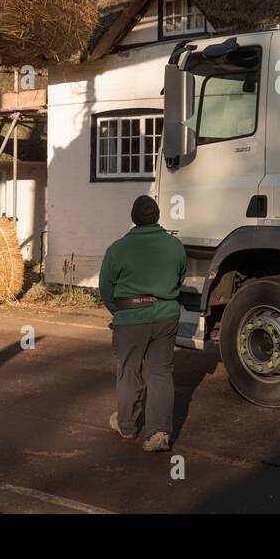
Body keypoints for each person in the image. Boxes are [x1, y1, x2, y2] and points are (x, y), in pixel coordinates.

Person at [98, 194, 186, 453]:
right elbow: (179, 278)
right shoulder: (175, 245)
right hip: (166, 317)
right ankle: (159, 432)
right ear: (158, 216)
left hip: (130, 318)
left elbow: (106, 287)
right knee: (161, 373)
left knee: (129, 372)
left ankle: (127, 426)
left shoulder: (118, 248)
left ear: (133, 219)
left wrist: (121, 313)